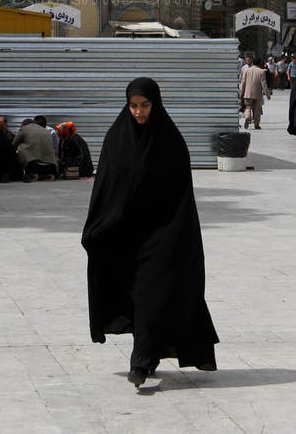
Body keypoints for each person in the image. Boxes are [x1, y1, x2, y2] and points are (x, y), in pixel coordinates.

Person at [82, 78, 218, 388]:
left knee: (150, 295)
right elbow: (105, 187)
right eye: (133, 106)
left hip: (163, 236)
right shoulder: (116, 139)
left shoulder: (169, 141)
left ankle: (140, 362)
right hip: (126, 236)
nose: (139, 112)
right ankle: (151, 353)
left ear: (155, 104)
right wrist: (98, 226)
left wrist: (178, 236)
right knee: (140, 298)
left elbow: (182, 195)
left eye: (144, 106)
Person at [239, 57, 270, 130]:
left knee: (248, 107)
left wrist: (241, 93)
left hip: (247, 93)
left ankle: (247, 117)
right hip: (257, 93)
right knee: (257, 110)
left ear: (253, 62)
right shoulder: (261, 71)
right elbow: (264, 84)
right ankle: (256, 125)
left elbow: (243, 83)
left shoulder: (246, 71)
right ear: (259, 64)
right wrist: (267, 94)